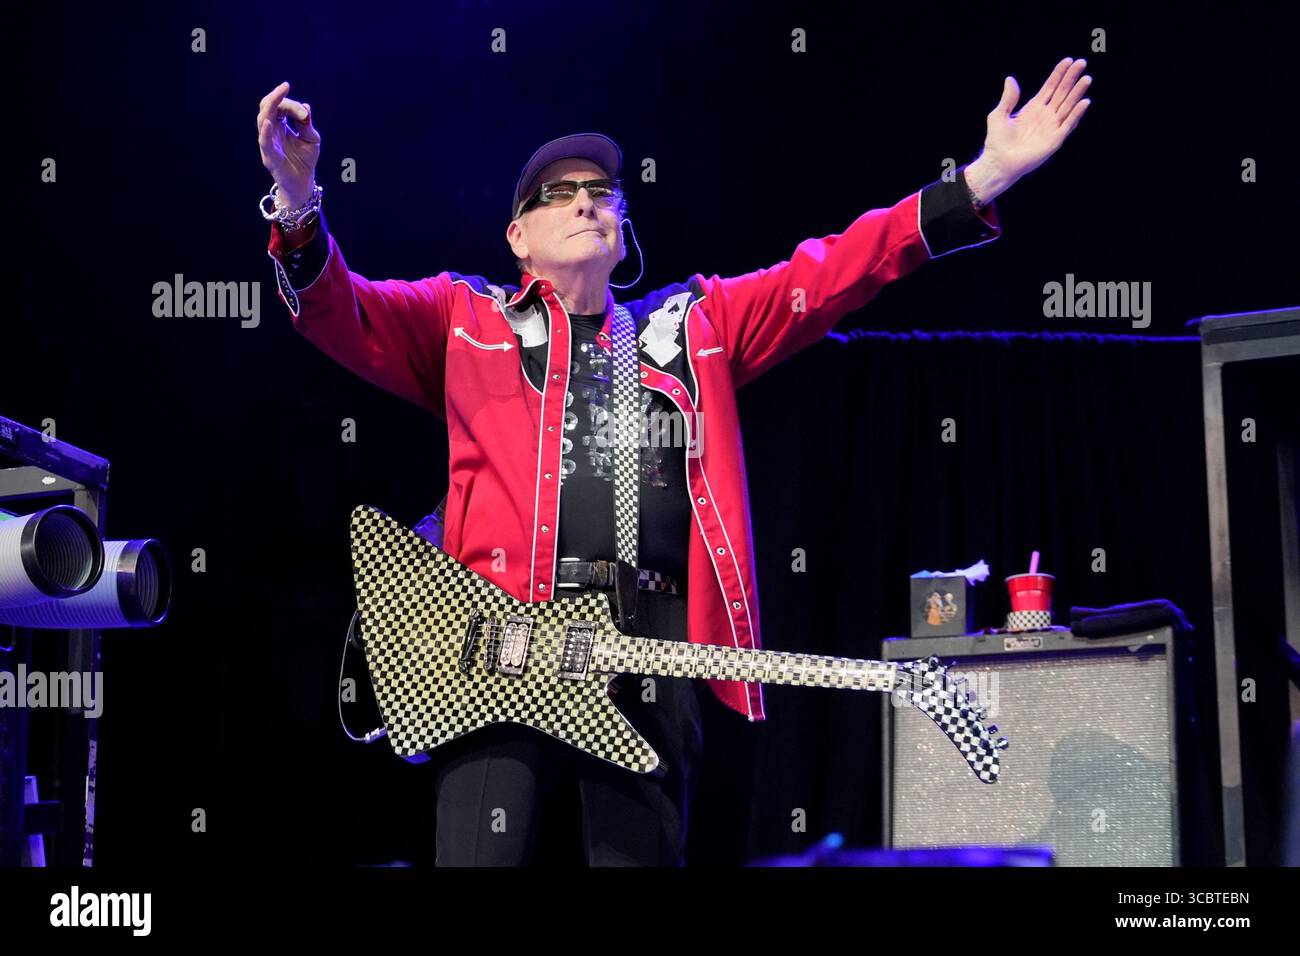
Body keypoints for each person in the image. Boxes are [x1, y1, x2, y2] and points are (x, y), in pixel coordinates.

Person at [255, 58, 1091, 865]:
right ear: (518, 236)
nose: (585, 203)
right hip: (495, 640)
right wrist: (297, 201)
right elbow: (341, 309)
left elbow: (838, 268)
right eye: (560, 194)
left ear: (623, 231)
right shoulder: (463, 321)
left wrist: (979, 179)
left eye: (601, 192)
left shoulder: (695, 325)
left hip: (648, 648)